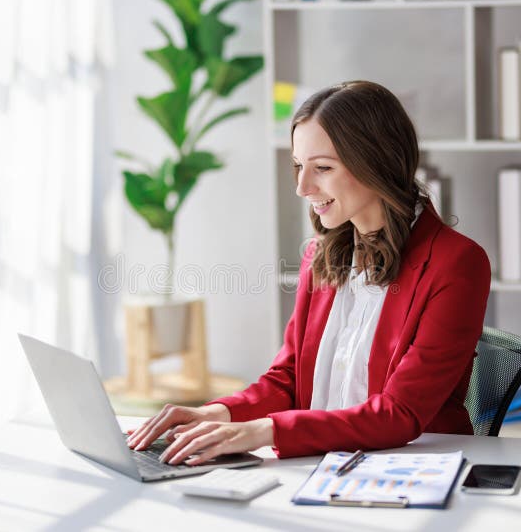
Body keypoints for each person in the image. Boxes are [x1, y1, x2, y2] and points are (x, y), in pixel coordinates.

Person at [126, 80, 490, 465]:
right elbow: (288, 377)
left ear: (376, 162)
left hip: (409, 469)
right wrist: (217, 414)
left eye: (322, 168)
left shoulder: (456, 263)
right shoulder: (321, 255)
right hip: (315, 464)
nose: (302, 187)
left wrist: (264, 430)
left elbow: (399, 414)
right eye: (299, 166)